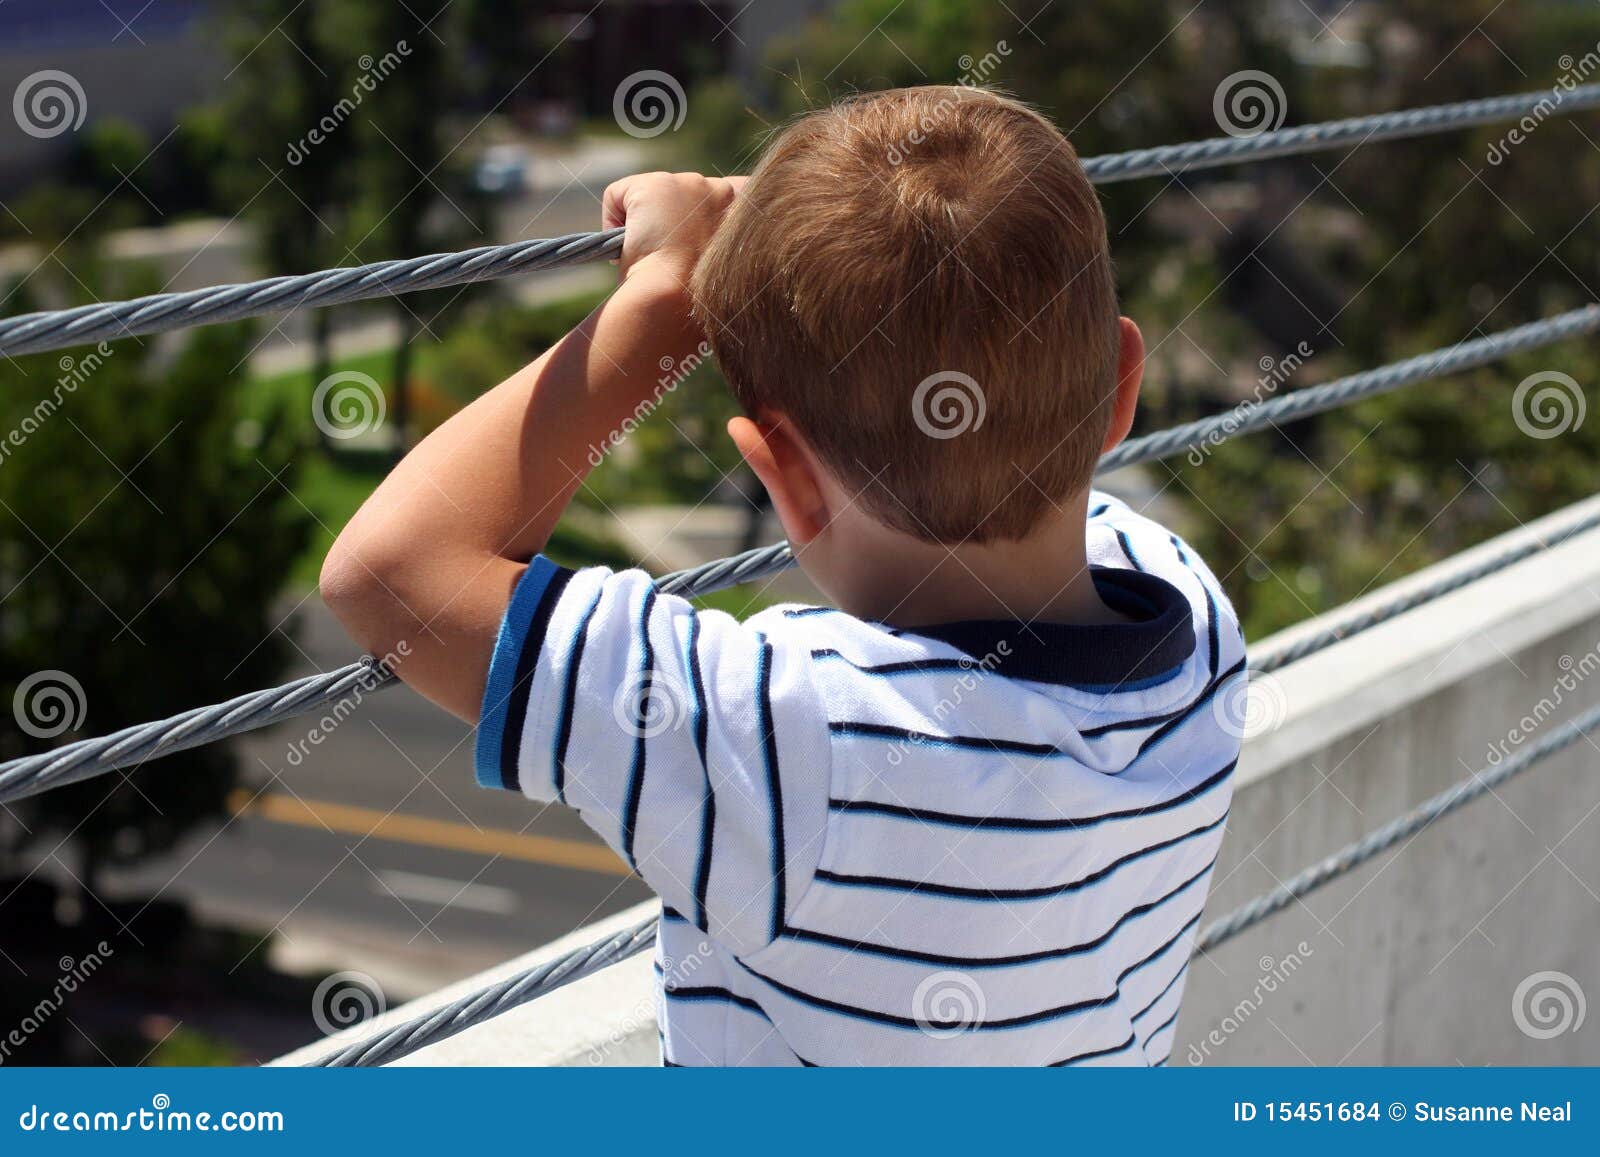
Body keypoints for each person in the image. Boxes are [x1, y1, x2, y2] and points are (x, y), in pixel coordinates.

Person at [320, 86, 1245, 1066]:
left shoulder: (792, 744)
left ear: (783, 481)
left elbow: (390, 570)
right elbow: (1026, 460)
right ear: (1121, 393)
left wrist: (664, 305)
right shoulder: (1197, 631)